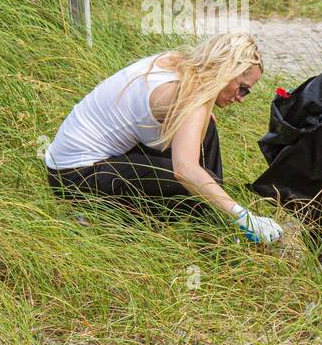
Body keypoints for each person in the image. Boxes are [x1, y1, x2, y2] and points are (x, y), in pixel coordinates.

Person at [44, 32, 285, 243]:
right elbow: (185, 170)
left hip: (78, 161)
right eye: (242, 87)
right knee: (192, 184)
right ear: (225, 71)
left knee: (206, 133)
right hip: (74, 178)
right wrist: (245, 217)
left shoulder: (179, 64)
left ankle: (216, 220)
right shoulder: (189, 97)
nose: (241, 98)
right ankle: (222, 224)